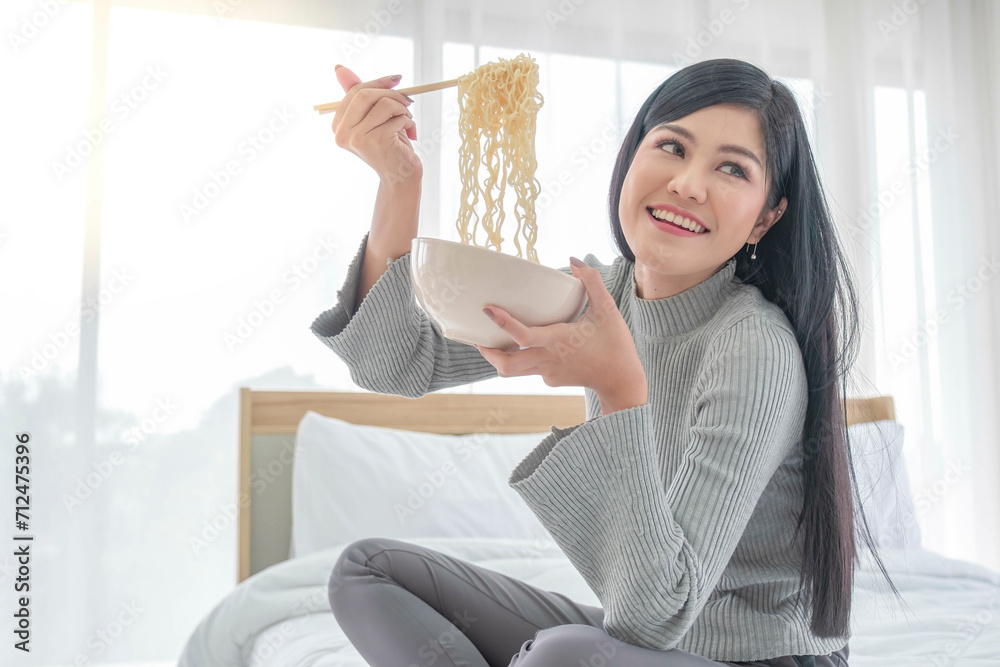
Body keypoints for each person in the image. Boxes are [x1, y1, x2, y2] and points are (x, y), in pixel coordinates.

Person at [312, 57, 900, 667]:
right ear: (631, 157)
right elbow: (396, 364)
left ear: (767, 216)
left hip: (754, 657)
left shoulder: (754, 346)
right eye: (672, 146)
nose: (689, 184)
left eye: (731, 168)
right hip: (644, 638)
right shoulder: (599, 298)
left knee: (561, 656)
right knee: (367, 572)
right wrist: (398, 181)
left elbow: (657, 616)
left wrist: (619, 389)